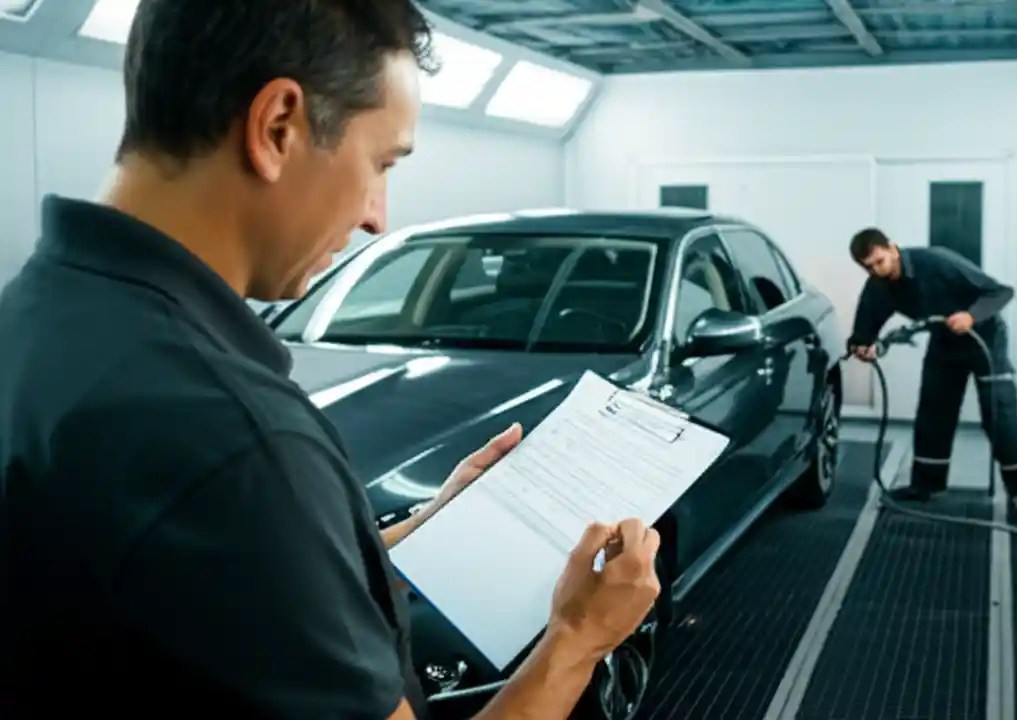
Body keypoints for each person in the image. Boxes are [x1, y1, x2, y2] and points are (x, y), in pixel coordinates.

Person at [0, 2, 659, 718]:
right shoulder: (234, 438)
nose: (378, 214)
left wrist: (417, 536)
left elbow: (219, 602)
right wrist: (577, 639)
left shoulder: (39, 314)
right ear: (277, 126)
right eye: (381, 162)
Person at [845, 228, 1017, 510]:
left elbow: (1000, 291)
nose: (877, 271)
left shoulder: (937, 262)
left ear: (892, 248)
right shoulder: (878, 283)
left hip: (984, 338)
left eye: (879, 261)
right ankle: (927, 486)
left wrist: (971, 316)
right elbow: (865, 324)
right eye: (869, 267)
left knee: (998, 416)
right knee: (933, 411)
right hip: (945, 340)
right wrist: (860, 345)